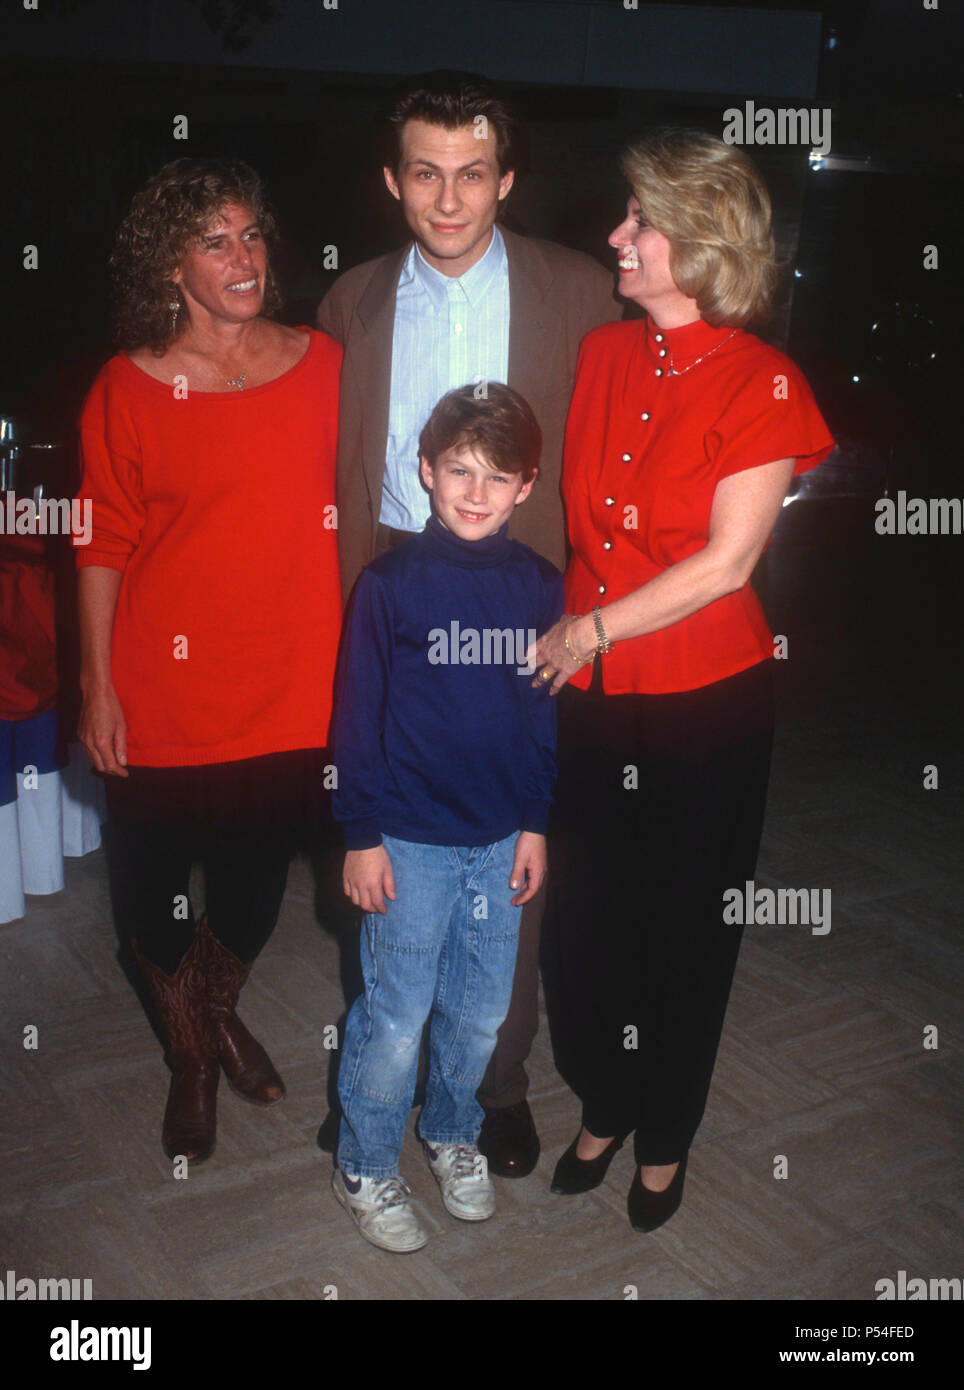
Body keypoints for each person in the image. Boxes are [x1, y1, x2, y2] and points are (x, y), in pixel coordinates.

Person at [317, 71, 620, 1177]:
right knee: (389, 854)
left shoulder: (580, 290)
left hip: (518, 590)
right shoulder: (349, 300)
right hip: (397, 574)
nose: (450, 199)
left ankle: (493, 1085)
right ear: (394, 181)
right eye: (427, 174)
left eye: (473, 174)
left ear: (507, 179)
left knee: (505, 841)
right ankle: (376, 1078)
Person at [532, 128, 835, 1232]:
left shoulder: (764, 381)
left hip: (705, 706)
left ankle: (663, 1136)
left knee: (684, 930)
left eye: (640, 223)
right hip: (593, 704)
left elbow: (727, 564)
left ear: (701, 244)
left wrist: (589, 627)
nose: (618, 236)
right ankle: (603, 1100)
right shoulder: (604, 355)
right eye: (625, 216)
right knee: (585, 926)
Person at [74, 157, 343, 1164]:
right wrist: (99, 684)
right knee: (148, 900)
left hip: (292, 688)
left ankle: (208, 1015)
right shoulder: (129, 383)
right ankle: (196, 1054)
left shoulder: (324, 361)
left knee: (252, 892)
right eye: (215, 241)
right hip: (162, 685)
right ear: (170, 266)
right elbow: (99, 539)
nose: (243, 257)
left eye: (252, 235)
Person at [329, 383, 563, 1252]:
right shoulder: (390, 584)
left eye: (496, 477)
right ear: (424, 471)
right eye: (458, 470)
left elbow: (542, 711)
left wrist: (535, 821)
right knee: (397, 1015)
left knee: (478, 1012)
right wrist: (360, 833)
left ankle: (452, 1132)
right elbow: (354, 717)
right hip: (407, 841)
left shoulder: (541, 586)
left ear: (527, 486)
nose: (474, 491)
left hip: (500, 840)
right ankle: (363, 1160)